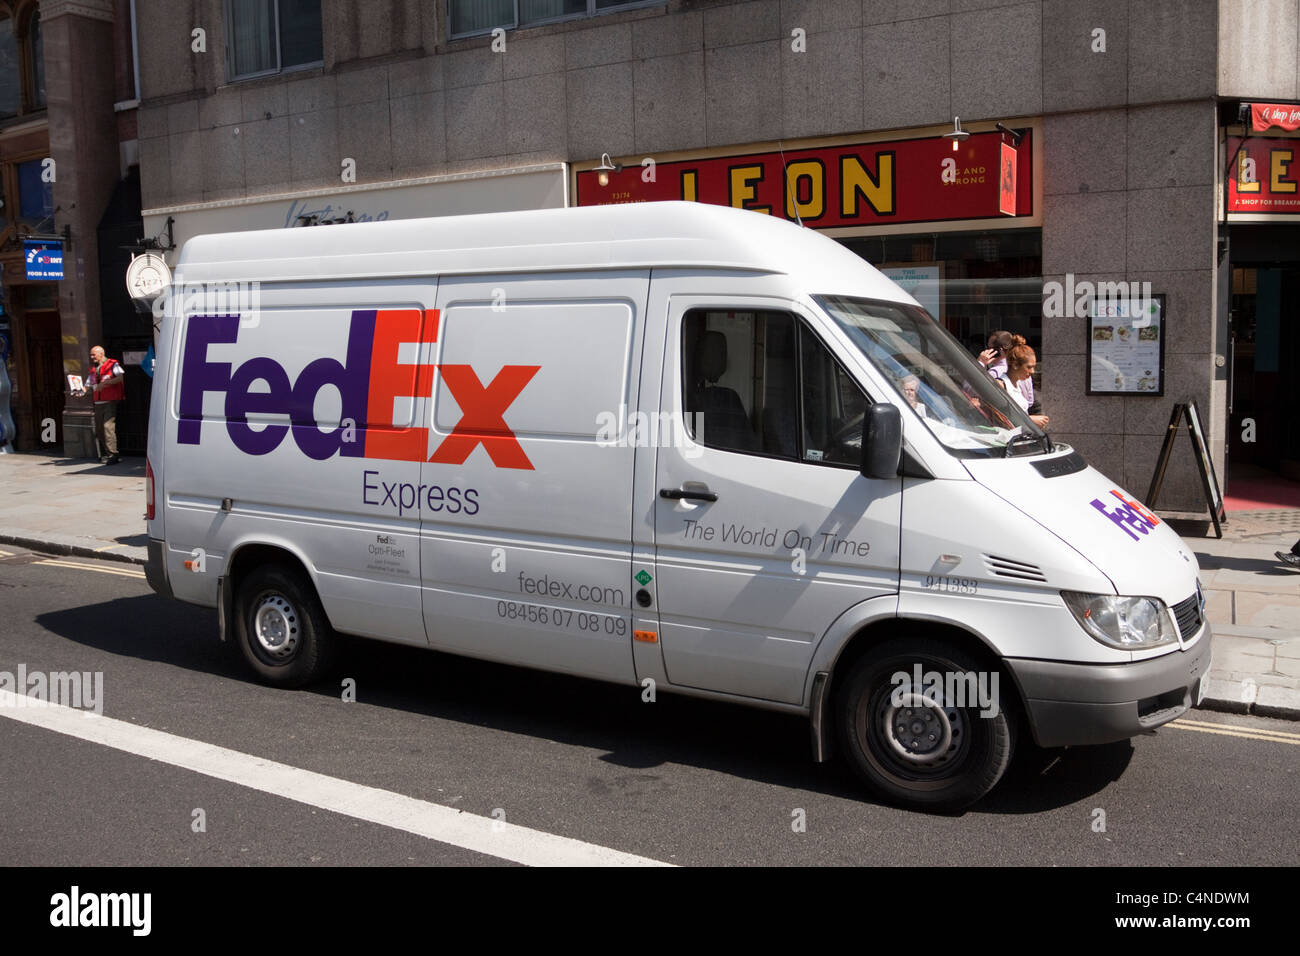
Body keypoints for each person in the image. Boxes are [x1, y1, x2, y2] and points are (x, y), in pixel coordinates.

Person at [991, 336, 1049, 430]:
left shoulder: (1016, 384)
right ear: (1015, 365)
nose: (1032, 371)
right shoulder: (1001, 385)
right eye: (1029, 367)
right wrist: (1029, 420)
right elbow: (997, 418)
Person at [978, 329, 1035, 409]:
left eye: (989, 348)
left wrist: (980, 363)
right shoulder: (1022, 371)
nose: (986, 351)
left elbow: (971, 391)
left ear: (998, 351)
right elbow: (1029, 401)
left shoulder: (994, 373)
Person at [87, 345, 125, 464]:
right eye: (91, 355)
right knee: (99, 429)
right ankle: (108, 453)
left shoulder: (112, 364)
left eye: (93, 354)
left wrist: (106, 383)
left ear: (101, 354)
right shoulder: (94, 369)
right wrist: (79, 391)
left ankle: (113, 455)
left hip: (109, 401)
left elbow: (120, 378)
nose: (91, 357)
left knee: (107, 427)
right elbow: (89, 384)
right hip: (98, 402)